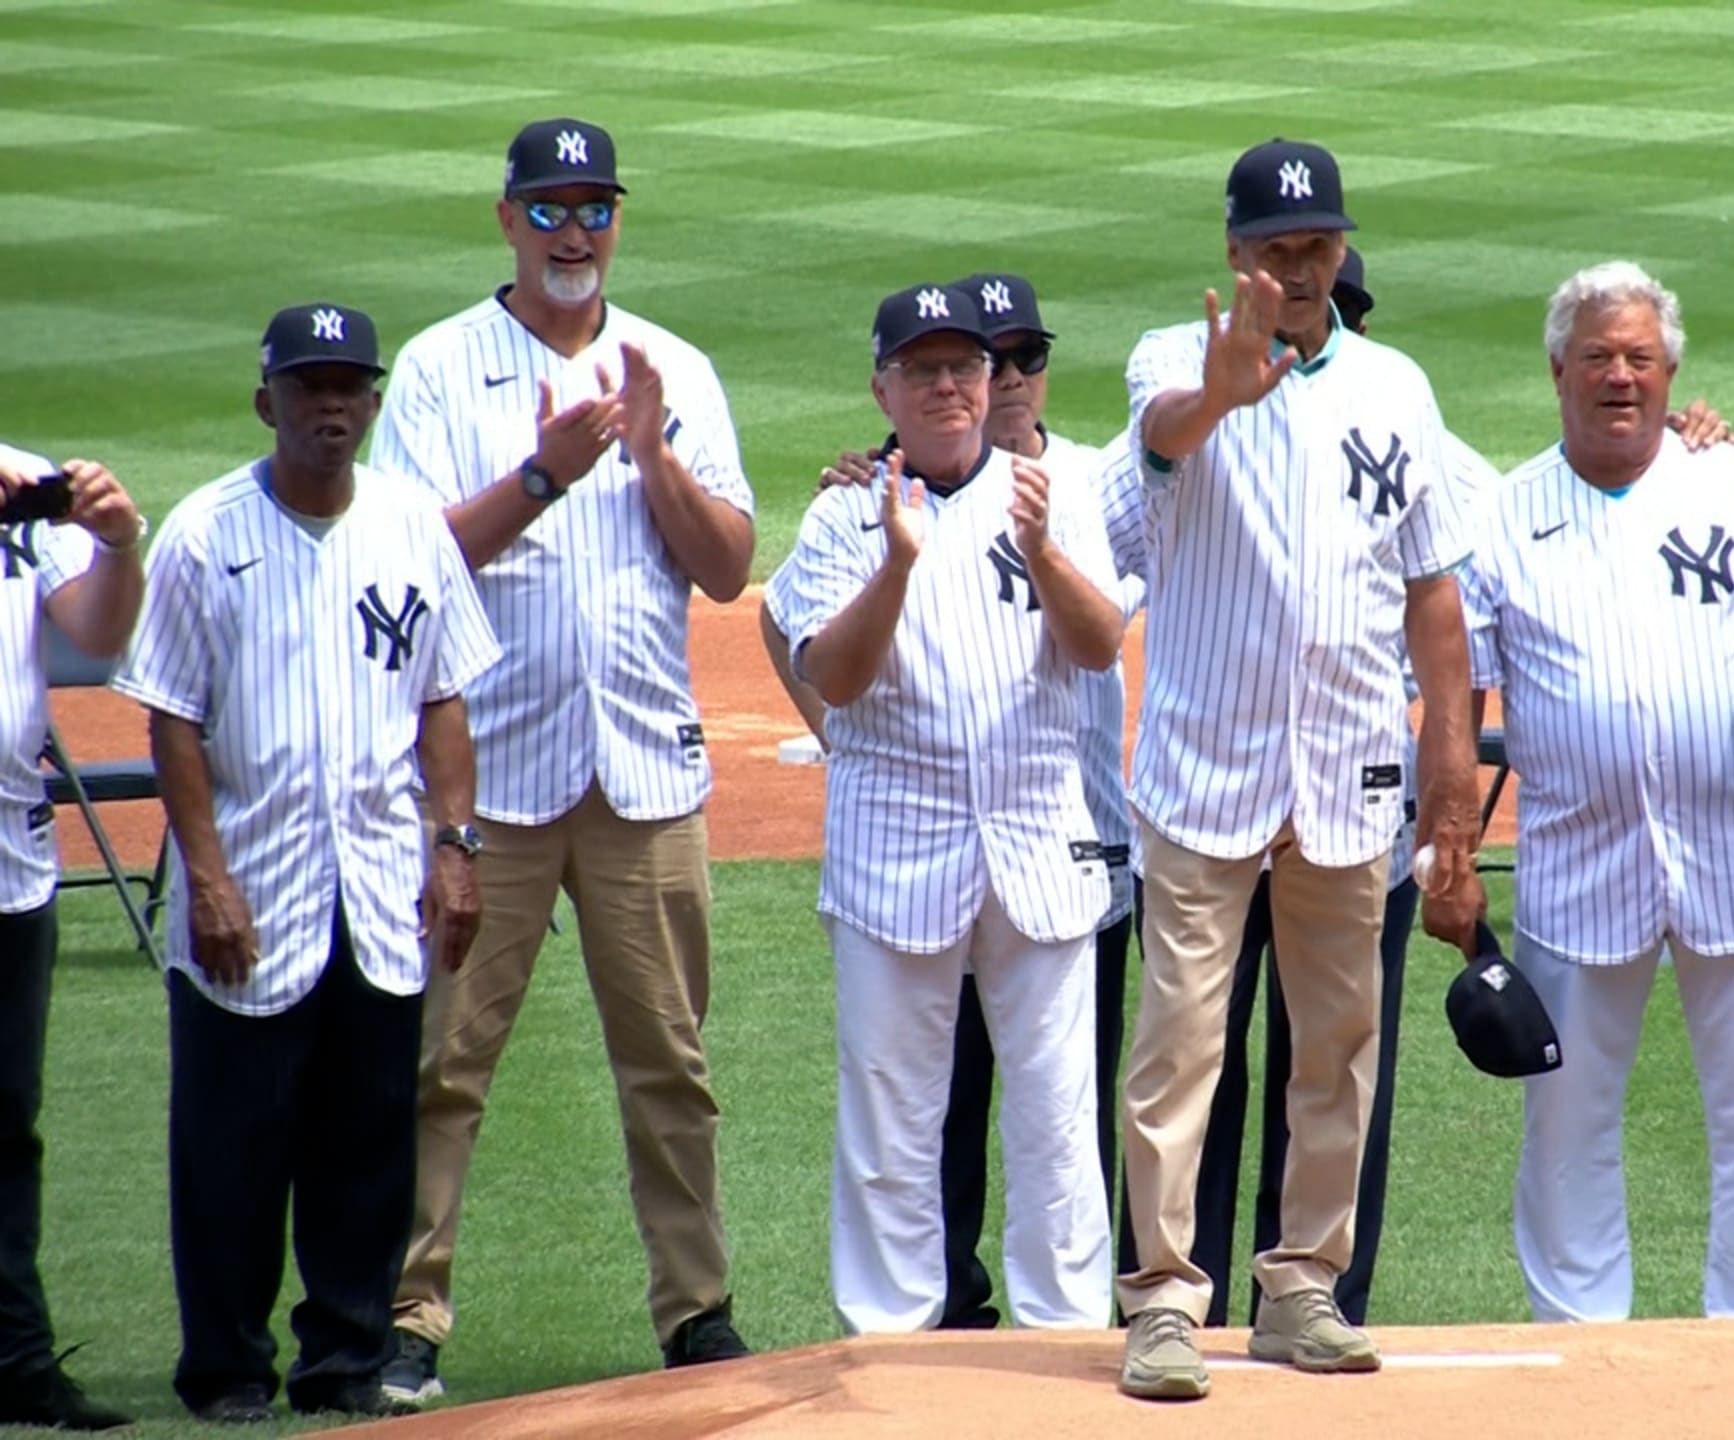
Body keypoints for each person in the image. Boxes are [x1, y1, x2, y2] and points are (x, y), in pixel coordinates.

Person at [1174, 248, 1734, 1328]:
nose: (1334, 324)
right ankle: (1176, 1305)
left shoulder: (1431, 450)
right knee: (1201, 1068)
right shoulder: (1212, 427)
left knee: (1335, 1075)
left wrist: (1684, 444)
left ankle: (1322, 1297)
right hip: (1221, 800)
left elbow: (1547, 531)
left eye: (1349, 310)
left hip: (1357, 815)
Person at [368, 117, 758, 1404]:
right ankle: (408, 1314)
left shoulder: (675, 369)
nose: (574, 231)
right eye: (548, 209)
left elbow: (725, 567)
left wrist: (651, 456)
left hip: (644, 773)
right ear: (507, 221)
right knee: (443, 1063)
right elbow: (410, 560)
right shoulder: (439, 370)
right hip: (487, 781)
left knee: (671, 1067)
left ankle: (695, 1311)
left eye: (594, 207)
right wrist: (543, 473)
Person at [1112, 138, 1481, 1402]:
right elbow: (1161, 438)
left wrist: (1449, 780)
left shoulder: (1396, 385)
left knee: (1338, 1045)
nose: (1300, 266)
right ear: (1234, 252)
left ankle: (1302, 1286)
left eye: (1318, 244)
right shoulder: (1174, 356)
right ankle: (1165, 1300)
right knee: (1179, 1046)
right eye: (1276, 249)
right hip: (1205, 767)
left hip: (1347, 769)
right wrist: (1220, 394)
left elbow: (1432, 594)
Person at [114, 304, 498, 1423]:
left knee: (367, 1145)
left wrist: (455, 847)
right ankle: (227, 1368)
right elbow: (173, 719)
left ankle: (344, 1359)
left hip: (375, 887)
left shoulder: (412, 525)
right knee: (230, 1149)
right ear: (265, 401)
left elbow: (444, 697)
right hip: (253, 883)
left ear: (372, 403)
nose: (331, 405)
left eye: (348, 386)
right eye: (307, 386)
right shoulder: (205, 533)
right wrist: (208, 878)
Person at [767, 282, 1125, 1333]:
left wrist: (1046, 550)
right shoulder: (843, 514)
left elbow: (1099, 644)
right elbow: (834, 676)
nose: (948, 386)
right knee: (891, 1117)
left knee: (1058, 1118)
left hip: (1035, 843)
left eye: (964, 366)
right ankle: (889, 1339)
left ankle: (1064, 1330)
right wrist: (894, 564)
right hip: (895, 852)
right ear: (882, 387)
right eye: (920, 369)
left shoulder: (1050, 495)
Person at [1465, 260, 1734, 1322]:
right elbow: (1458, 687)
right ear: (1556, 371)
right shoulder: (1502, 513)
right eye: (1597, 357)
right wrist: (1449, 839)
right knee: (1565, 1123)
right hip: (1580, 858)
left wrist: (1729, 728)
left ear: (1669, 372)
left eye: (1640, 357)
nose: (1620, 376)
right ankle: (1583, 1347)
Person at [0, 448, 144, 1432]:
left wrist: (117, 545)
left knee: (7, 1121)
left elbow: (98, 630)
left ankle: (15, 1362)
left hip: (12, 864)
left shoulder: (23, 480)